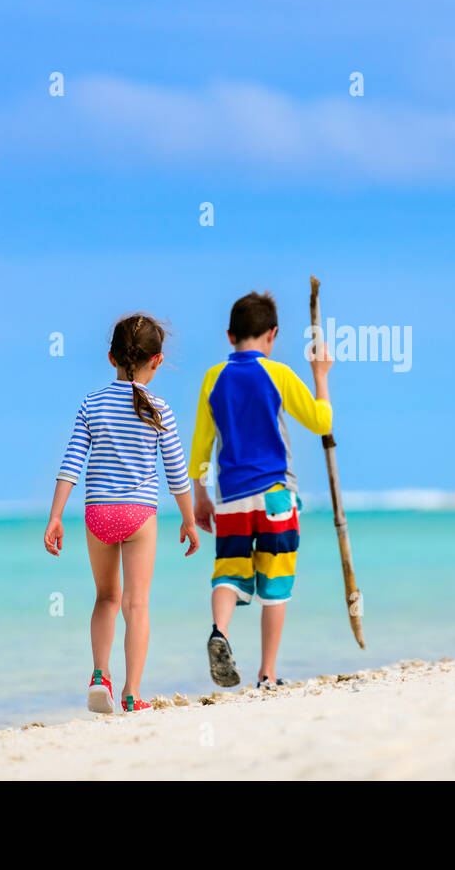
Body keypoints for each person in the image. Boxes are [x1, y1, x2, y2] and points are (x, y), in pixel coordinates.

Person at [44, 313, 200, 713]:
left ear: (111, 357)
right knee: (137, 604)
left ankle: (99, 675)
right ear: (158, 361)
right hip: (139, 515)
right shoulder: (159, 408)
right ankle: (131, 694)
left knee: (106, 598)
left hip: (97, 513)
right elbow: (176, 472)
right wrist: (188, 519)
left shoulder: (91, 404)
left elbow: (71, 463)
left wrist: (55, 516)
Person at [188, 291, 332, 689]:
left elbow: (201, 446)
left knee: (228, 575)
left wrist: (200, 494)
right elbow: (321, 422)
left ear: (230, 335)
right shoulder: (279, 374)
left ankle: (220, 631)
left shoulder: (213, 378)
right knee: (275, 583)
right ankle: (267, 673)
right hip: (275, 494)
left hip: (231, 497)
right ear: (273, 335)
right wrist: (320, 375)